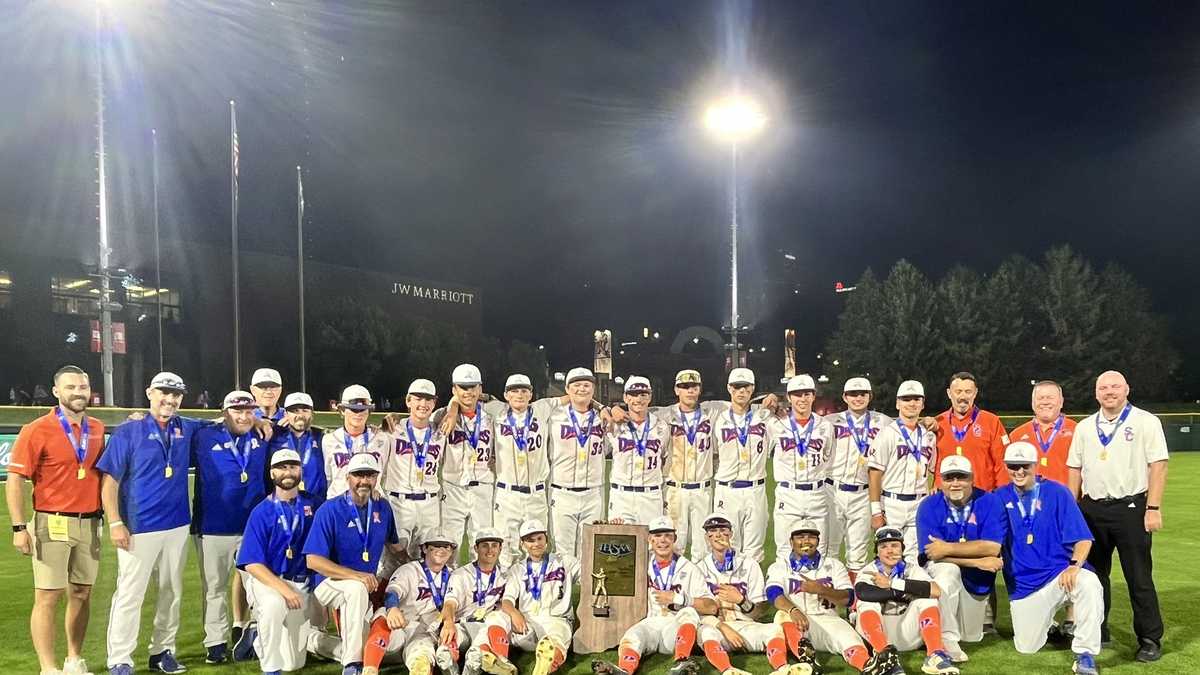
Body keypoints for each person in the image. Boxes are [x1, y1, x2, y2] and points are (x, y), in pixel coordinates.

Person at [98, 371, 209, 675]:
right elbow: (110, 481)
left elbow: (225, 424)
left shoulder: (186, 427)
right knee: (130, 595)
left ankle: (163, 650)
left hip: (175, 524)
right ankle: (120, 658)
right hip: (138, 526)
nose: (170, 400)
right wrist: (115, 522)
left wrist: (261, 420)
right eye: (164, 393)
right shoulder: (129, 431)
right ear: (150, 393)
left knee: (171, 591)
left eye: (175, 395)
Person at [6, 365, 105, 675]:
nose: (78, 392)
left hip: (90, 523)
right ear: (56, 392)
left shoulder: (98, 428)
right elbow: (15, 479)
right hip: (52, 522)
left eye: (83, 387)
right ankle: (48, 668)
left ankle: (74, 660)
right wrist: (20, 527)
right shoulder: (37, 429)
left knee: (81, 593)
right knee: (48, 596)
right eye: (71, 387)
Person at [1067, 370, 1167, 662]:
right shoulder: (1085, 427)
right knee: (1094, 578)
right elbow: (1074, 468)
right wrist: (1073, 508)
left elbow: (1158, 466)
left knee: (1138, 576)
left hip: (1132, 508)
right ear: (1096, 393)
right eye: (1103, 387)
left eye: (1115, 386)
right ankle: (1097, 630)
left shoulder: (1146, 421)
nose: (1109, 391)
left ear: (1127, 389)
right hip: (1092, 509)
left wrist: (1153, 507)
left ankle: (1149, 638)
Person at [1000, 441, 1102, 675]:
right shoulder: (999, 496)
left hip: (1059, 576)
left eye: (1025, 465)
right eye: (1013, 466)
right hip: (1025, 587)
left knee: (1088, 583)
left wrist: (1075, 566)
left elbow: (1083, 539)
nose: (1019, 471)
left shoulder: (1057, 492)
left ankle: (1085, 654)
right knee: (1027, 647)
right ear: (1006, 467)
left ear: (1035, 465)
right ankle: (1051, 623)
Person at [303, 453, 402, 675]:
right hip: (328, 583)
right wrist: (355, 575)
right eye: (359, 475)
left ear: (377, 478)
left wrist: (419, 567)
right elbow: (313, 560)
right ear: (348, 477)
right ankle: (352, 666)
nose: (364, 481)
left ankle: (312, 640)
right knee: (355, 590)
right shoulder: (330, 509)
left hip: (363, 586)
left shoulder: (382, 508)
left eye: (370, 475)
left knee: (376, 646)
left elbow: (394, 546)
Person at [191, 390, 271, 663]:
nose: (244, 416)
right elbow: (178, 422)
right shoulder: (203, 435)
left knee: (258, 587)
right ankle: (215, 642)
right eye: (238, 411)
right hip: (213, 526)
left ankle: (257, 636)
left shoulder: (262, 436)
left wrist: (262, 422)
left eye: (250, 412)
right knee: (214, 588)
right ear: (224, 413)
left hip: (252, 527)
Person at [591, 516, 717, 675]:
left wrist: (679, 598)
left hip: (676, 628)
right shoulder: (640, 562)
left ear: (675, 539)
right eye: (657, 536)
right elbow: (609, 561)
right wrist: (615, 530)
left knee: (689, 612)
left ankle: (681, 662)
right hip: (651, 623)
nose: (662, 541)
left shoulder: (689, 568)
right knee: (633, 635)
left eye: (667, 535)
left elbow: (712, 607)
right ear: (649, 539)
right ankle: (624, 670)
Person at [236, 448, 321, 675]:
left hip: (301, 584)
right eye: (282, 467)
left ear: (300, 471)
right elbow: (252, 563)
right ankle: (270, 668)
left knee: (294, 663)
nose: (288, 472)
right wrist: (284, 590)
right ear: (272, 473)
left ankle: (257, 635)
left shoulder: (314, 504)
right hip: (270, 581)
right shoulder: (262, 511)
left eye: (293, 466)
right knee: (274, 606)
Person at [914, 455, 1004, 662]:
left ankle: (942, 631)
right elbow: (931, 554)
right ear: (940, 481)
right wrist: (977, 560)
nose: (955, 483)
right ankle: (947, 640)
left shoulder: (989, 501)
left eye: (961, 477)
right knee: (948, 571)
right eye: (949, 478)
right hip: (948, 572)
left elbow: (992, 547)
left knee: (971, 637)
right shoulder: (928, 505)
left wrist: (947, 548)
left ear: (972, 478)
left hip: (977, 580)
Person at [765, 520, 884, 675]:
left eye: (811, 537)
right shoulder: (780, 567)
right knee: (782, 617)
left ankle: (869, 668)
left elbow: (848, 598)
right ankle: (808, 664)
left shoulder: (834, 565)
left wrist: (822, 590)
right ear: (791, 542)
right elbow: (773, 593)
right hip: (797, 623)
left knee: (852, 641)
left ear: (818, 541)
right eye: (800, 537)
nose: (806, 541)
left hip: (830, 619)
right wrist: (793, 609)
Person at [473, 519, 577, 675]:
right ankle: (496, 658)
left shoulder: (564, 561)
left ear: (546, 540)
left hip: (556, 620)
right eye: (530, 540)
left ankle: (545, 665)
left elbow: (594, 569)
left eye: (539, 538)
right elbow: (507, 600)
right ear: (522, 544)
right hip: (526, 624)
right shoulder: (517, 569)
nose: (536, 544)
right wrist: (514, 613)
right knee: (496, 617)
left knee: (557, 638)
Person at [693, 512, 790, 675]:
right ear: (706, 537)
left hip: (747, 626)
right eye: (712, 531)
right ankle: (728, 670)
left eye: (723, 530)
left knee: (774, 630)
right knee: (705, 633)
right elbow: (696, 611)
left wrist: (741, 600)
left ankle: (783, 669)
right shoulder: (699, 569)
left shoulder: (750, 564)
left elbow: (760, 611)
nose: (718, 535)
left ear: (730, 534)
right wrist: (722, 627)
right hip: (716, 628)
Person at [853, 527, 959, 675]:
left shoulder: (912, 569)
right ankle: (885, 659)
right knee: (866, 603)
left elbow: (936, 591)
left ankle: (935, 655)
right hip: (877, 636)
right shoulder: (869, 570)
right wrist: (906, 593)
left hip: (907, 632)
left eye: (894, 546)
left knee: (928, 600)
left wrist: (892, 585)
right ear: (877, 552)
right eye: (883, 547)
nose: (889, 551)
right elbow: (863, 592)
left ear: (902, 549)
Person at [481, 374, 559, 568]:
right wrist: (454, 407)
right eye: (514, 390)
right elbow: (468, 398)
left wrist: (603, 407)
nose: (519, 394)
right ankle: (506, 594)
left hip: (536, 493)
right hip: (507, 493)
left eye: (524, 390)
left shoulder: (542, 408)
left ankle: (532, 593)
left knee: (536, 547)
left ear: (531, 394)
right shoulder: (496, 410)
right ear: (506, 395)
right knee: (506, 549)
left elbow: (576, 396)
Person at [362, 529, 459, 675]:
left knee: (421, 659)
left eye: (446, 546)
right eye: (436, 545)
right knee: (383, 613)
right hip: (397, 631)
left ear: (452, 551)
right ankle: (370, 668)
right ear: (424, 548)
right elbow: (392, 592)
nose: (441, 550)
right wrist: (392, 608)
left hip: (425, 633)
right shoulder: (409, 570)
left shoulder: (454, 576)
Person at [827, 377, 891, 576]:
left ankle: (854, 605)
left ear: (870, 396)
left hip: (864, 492)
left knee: (858, 553)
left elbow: (910, 422)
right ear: (845, 397)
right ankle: (828, 602)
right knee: (829, 549)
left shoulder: (883, 422)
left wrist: (931, 421)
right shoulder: (829, 421)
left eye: (862, 393)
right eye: (853, 394)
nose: (858, 398)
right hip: (832, 490)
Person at [867, 380, 936, 566]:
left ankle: (910, 594)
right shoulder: (887, 433)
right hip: (892, 502)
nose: (911, 403)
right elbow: (874, 473)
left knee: (914, 557)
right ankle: (888, 594)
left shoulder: (929, 436)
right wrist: (875, 511)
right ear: (898, 403)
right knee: (889, 556)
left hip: (919, 502)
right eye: (906, 399)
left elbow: (933, 471)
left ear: (923, 403)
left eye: (916, 399)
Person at [710, 368, 775, 563]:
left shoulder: (764, 417)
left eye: (746, 387)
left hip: (756, 489)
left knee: (754, 550)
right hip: (727, 490)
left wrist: (776, 401)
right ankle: (728, 590)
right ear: (729, 388)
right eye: (737, 387)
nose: (741, 391)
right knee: (727, 546)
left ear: (753, 389)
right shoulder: (717, 417)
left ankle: (750, 592)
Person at [543, 367, 608, 559]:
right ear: (567, 389)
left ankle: (586, 589)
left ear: (593, 389)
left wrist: (603, 408)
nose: (582, 389)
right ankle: (561, 588)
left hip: (593, 492)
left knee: (589, 548)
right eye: (577, 385)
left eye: (587, 385)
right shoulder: (552, 416)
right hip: (561, 491)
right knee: (562, 549)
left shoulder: (603, 418)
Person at [768, 374, 834, 560]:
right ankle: (787, 587)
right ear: (789, 397)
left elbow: (829, 457)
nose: (802, 399)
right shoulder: (776, 424)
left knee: (820, 548)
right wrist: (769, 406)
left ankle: (816, 588)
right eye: (797, 394)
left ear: (814, 396)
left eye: (807, 394)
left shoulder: (825, 426)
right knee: (784, 548)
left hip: (817, 492)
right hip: (787, 493)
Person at [381, 379, 446, 559]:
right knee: (392, 559)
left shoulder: (440, 431)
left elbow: (460, 401)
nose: (423, 404)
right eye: (418, 399)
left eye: (428, 400)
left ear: (434, 403)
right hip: (399, 502)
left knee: (429, 560)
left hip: (430, 504)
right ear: (408, 401)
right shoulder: (392, 429)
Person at [437, 364, 496, 550]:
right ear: (454, 389)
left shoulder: (493, 414)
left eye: (472, 387)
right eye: (463, 387)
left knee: (481, 546)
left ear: (480, 388)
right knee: (448, 545)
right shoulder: (442, 416)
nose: (468, 392)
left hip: (483, 488)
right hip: (453, 489)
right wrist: (452, 408)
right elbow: (418, 424)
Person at [607, 376, 670, 525]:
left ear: (650, 397)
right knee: (621, 542)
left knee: (651, 544)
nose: (638, 399)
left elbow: (664, 456)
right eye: (633, 394)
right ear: (625, 397)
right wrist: (611, 408)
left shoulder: (661, 425)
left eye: (643, 394)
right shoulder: (615, 425)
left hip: (651, 495)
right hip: (621, 495)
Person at [933, 373, 1009, 491]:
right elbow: (933, 462)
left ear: (975, 393)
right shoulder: (938, 422)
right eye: (958, 391)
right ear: (949, 393)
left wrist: (1002, 495)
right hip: (947, 496)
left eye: (968, 392)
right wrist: (936, 484)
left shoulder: (991, 421)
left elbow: (1002, 463)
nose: (963, 396)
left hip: (982, 496)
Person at [322, 385, 392, 500]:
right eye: (353, 409)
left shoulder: (381, 439)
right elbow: (329, 477)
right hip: (339, 502)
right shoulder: (329, 440)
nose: (358, 414)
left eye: (363, 409)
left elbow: (383, 474)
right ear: (342, 410)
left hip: (371, 502)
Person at [1008, 381, 1076, 487]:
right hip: (1028, 500)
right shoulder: (1016, 435)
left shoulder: (1077, 431)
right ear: (1032, 403)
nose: (1045, 402)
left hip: (1065, 500)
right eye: (1040, 398)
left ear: (1061, 402)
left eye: (1050, 397)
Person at [267, 392, 327, 507]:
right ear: (285, 414)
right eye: (295, 411)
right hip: (283, 506)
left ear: (312, 414)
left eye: (305, 410)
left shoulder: (322, 438)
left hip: (317, 506)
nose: (300, 415)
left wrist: (370, 429)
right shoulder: (273, 436)